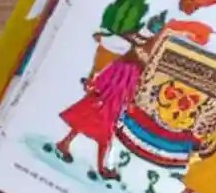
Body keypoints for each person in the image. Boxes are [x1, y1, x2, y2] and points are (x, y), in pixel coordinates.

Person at [54, 33, 151, 180]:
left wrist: (127, 102)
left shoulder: (130, 69)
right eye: (141, 51)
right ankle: (100, 168)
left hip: (108, 104)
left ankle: (66, 145)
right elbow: (105, 80)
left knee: (89, 128)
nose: (143, 55)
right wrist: (94, 87)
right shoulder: (125, 67)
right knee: (98, 134)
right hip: (104, 103)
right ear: (135, 51)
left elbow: (126, 91)